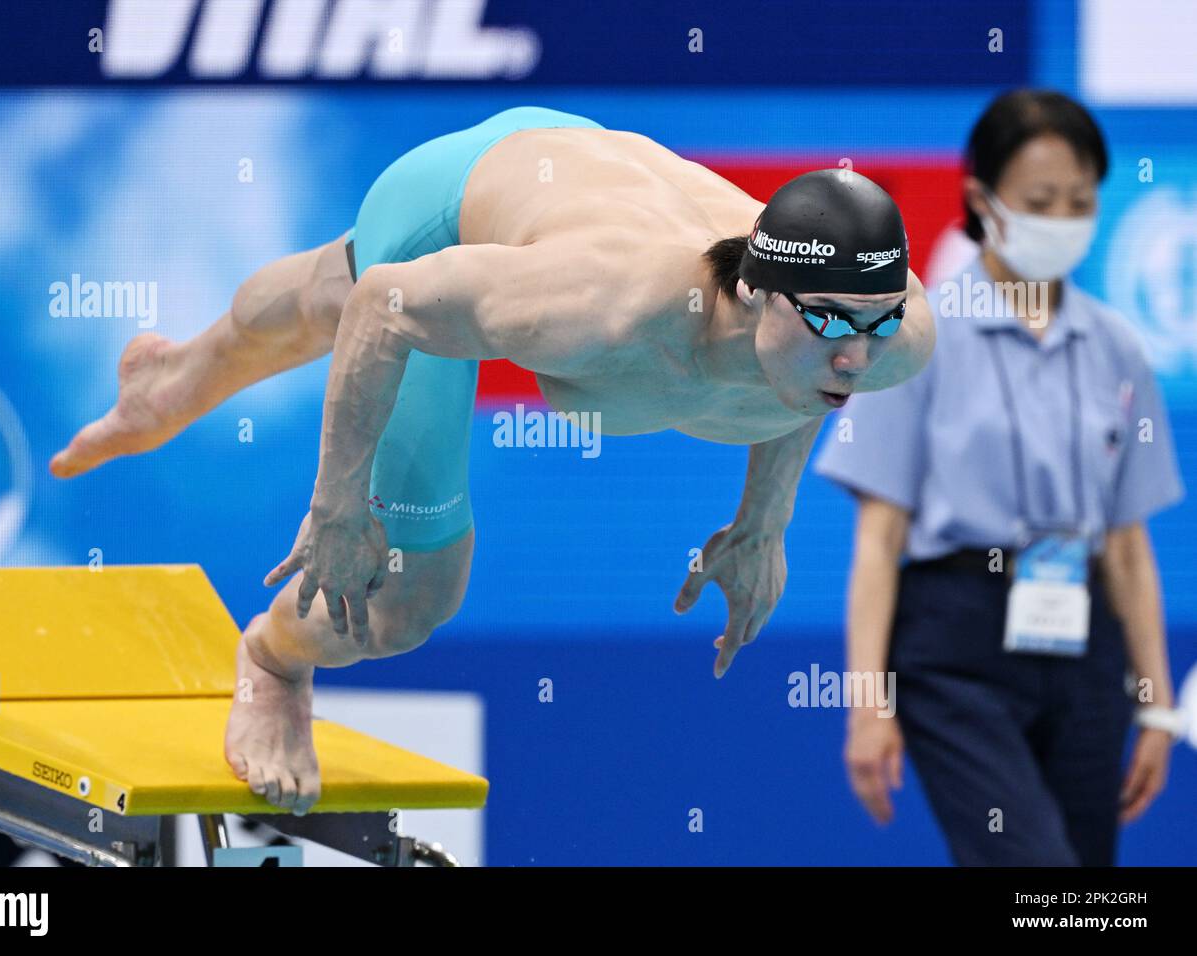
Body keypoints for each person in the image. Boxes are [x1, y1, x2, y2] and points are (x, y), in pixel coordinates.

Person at [51, 106, 935, 813]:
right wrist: (339, 508)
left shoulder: (882, 336)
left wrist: (763, 523)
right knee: (407, 593)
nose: (855, 357)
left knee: (326, 285)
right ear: (755, 290)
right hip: (458, 205)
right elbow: (384, 306)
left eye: (875, 323)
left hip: (569, 163)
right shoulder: (607, 305)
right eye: (827, 320)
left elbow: (802, 378)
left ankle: (170, 378)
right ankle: (275, 661)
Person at [815, 90, 1185, 865]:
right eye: (1039, 200)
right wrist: (865, 706)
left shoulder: (1114, 346)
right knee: (1029, 869)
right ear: (983, 199)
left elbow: (1126, 549)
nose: (1062, 217)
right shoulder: (916, 337)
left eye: (1078, 200)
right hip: (957, 645)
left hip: (1086, 645)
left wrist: (1156, 707)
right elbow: (878, 544)